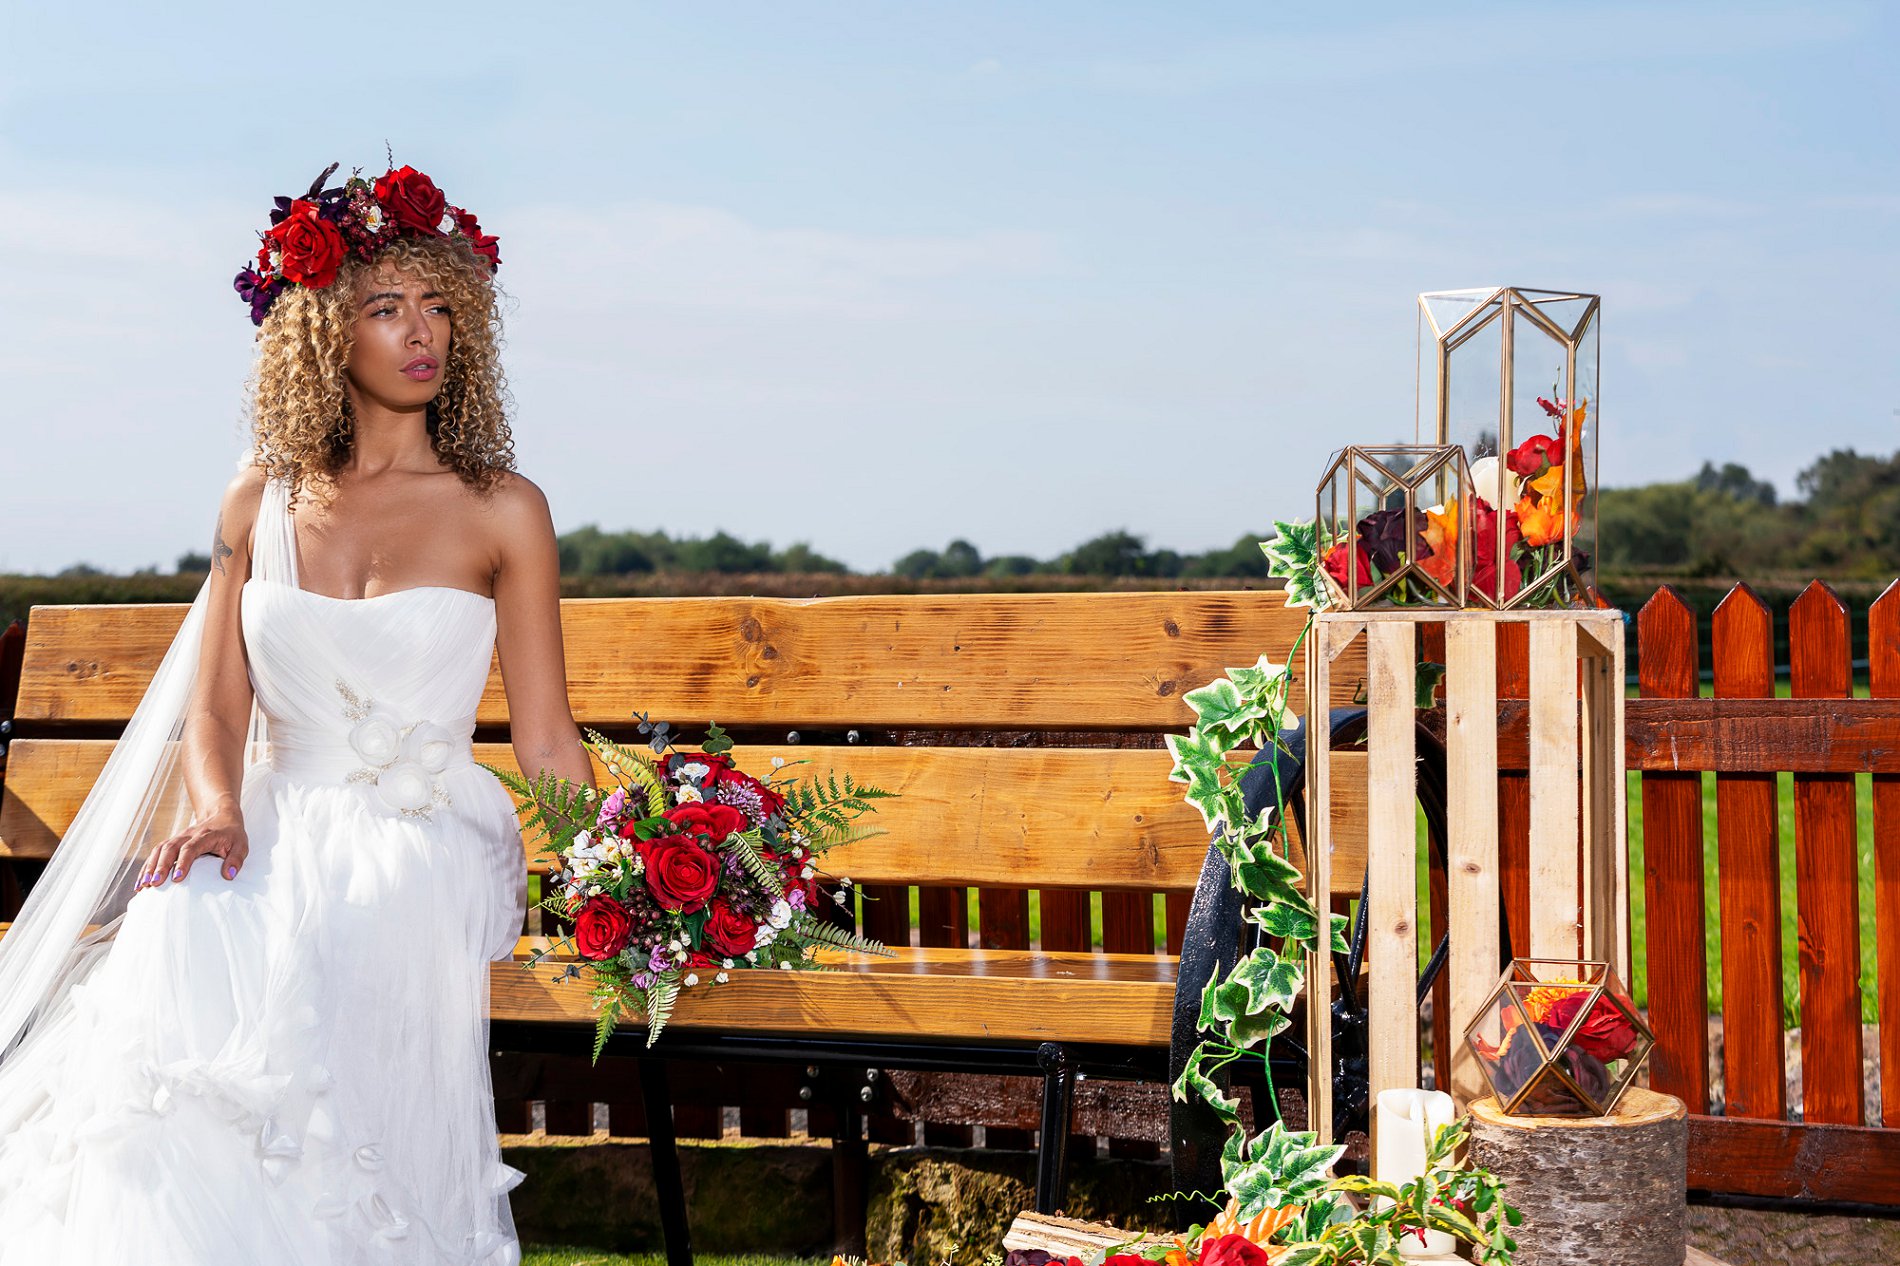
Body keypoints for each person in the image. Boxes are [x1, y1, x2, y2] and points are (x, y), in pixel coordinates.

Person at [0, 162, 592, 1265]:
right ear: (324, 333)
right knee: (191, 912)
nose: (423, 335)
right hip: (276, 808)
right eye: (385, 309)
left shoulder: (503, 508)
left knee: (352, 910)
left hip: (431, 830)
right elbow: (217, 702)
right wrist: (218, 807)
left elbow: (546, 734)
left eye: (438, 309)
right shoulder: (257, 500)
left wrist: (613, 870)